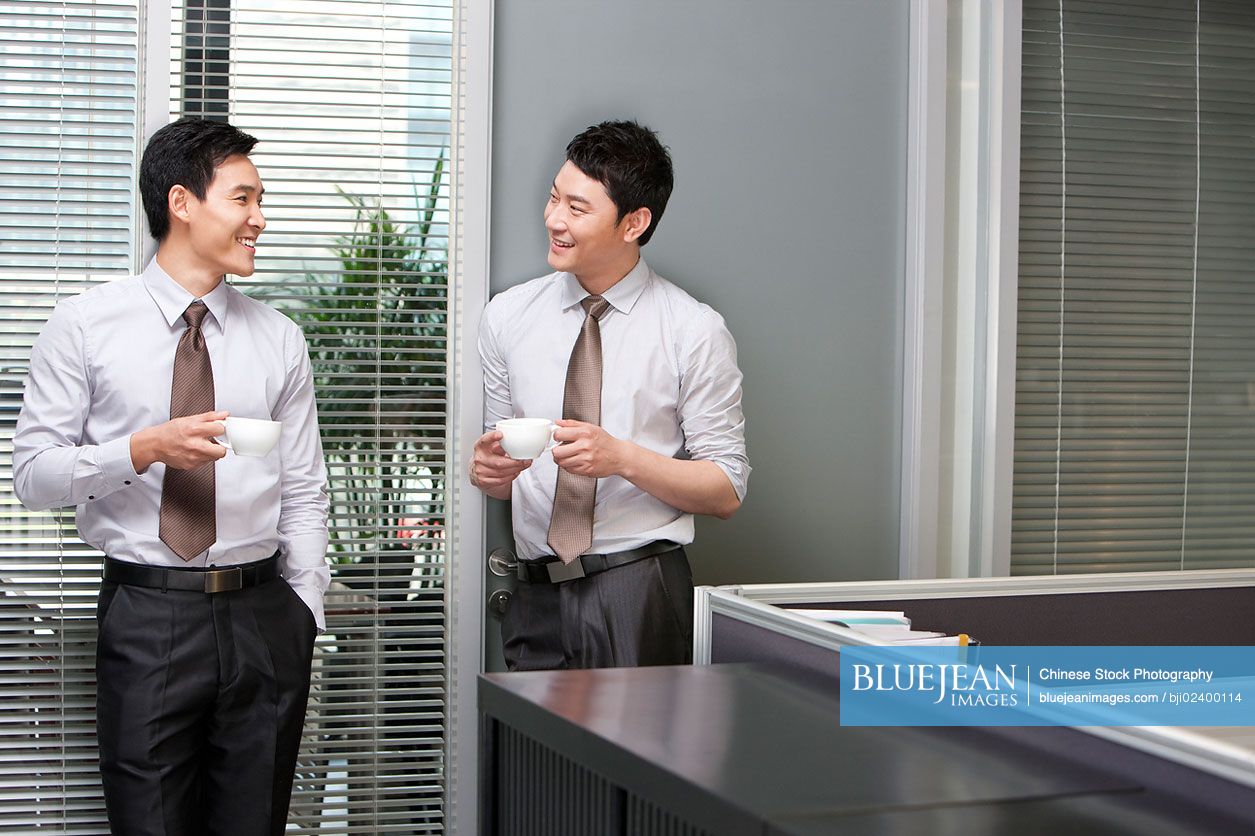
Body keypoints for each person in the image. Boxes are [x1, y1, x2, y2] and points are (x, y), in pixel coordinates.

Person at [13, 117, 329, 836]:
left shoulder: (279, 338)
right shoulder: (85, 326)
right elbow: (32, 474)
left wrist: (302, 612)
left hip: (262, 617)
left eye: (260, 200)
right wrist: (142, 449)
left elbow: (305, 489)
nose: (260, 218)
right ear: (182, 203)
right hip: (146, 615)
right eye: (243, 198)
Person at [471, 119, 749, 670]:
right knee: (530, 757)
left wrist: (620, 458)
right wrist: (489, 471)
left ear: (634, 222)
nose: (554, 220)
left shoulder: (693, 330)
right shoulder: (507, 316)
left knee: (636, 755)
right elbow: (503, 476)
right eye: (554, 198)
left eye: (577, 209)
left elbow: (726, 489)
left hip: (637, 589)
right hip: (535, 596)